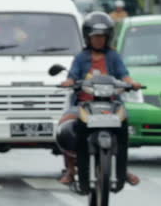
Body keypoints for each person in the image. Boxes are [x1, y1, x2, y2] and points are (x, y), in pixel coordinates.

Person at [58, 12, 142, 189]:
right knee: (67, 127)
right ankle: (71, 169)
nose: (98, 40)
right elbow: (72, 76)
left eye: (102, 37)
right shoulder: (80, 57)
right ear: (88, 37)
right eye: (95, 37)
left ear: (108, 37)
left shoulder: (114, 56)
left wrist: (132, 83)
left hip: (111, 104)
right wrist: (69, 82)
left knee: (123, 126)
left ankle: (122, 169)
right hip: (83, 104)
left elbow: (124, 75)